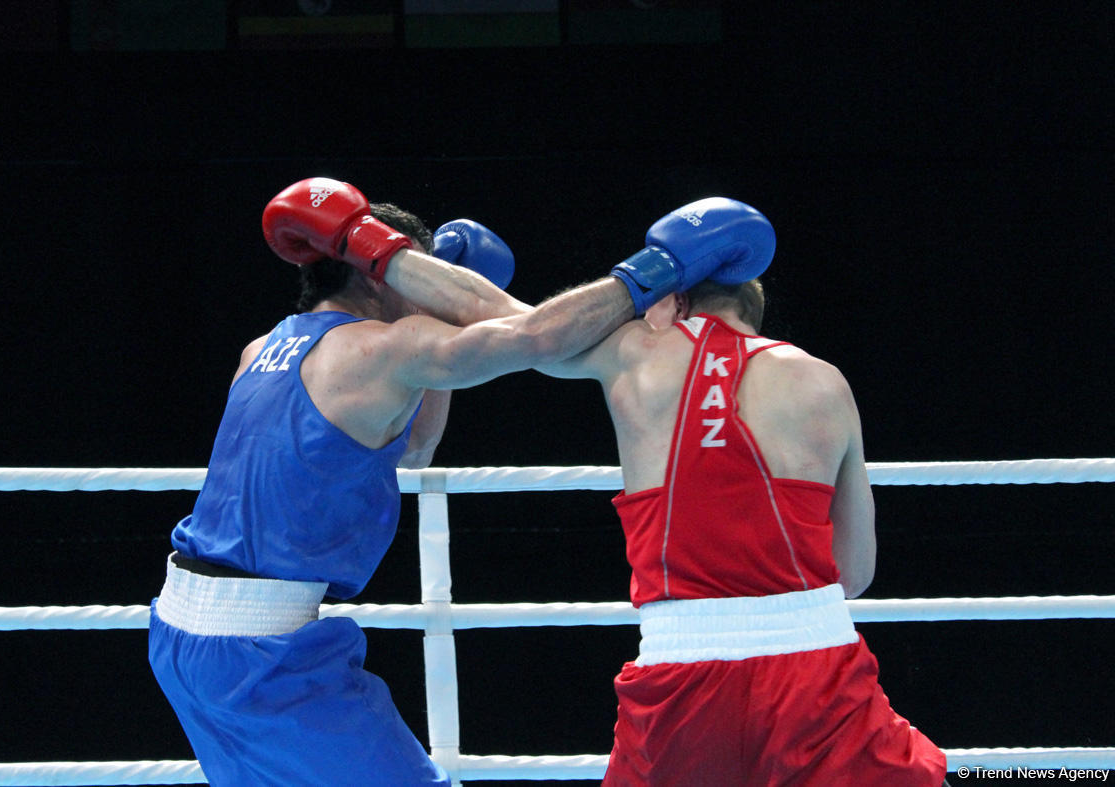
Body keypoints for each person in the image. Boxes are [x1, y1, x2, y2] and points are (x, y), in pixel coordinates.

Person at [147, 177, 772, 786]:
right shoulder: (388, 347)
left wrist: (432, 308)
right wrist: (656, 269)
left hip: (184, 633)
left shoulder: (261, 349)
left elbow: (413, 448)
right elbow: (537, 337)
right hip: (261, 658)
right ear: (379, 267)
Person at [530, 202, 949, 785]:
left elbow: (524, 334)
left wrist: (639, 276)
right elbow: (854, 572)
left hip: (684, 673)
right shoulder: (826, 381)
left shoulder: (638, 357)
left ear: (675, 302)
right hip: (818, 668)